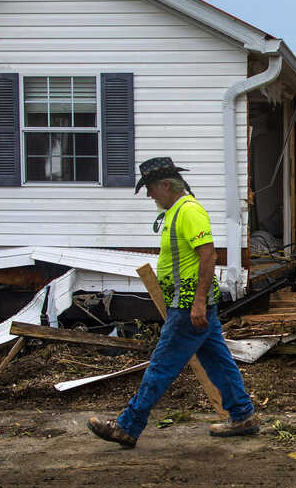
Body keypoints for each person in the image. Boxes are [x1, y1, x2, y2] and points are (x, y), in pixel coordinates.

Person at [88, 157, 259, 448]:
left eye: (151, 188)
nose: (149, 194)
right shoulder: (175, 212)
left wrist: (198, 303)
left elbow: (208, 256)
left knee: (161, 365)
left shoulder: (189, 211)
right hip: (190, 304)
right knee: (218, 361)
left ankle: (127, 426)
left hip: (188, 306)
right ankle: (243, 415)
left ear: (166, 186)